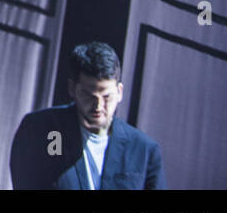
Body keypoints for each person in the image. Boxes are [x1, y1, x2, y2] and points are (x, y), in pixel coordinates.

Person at [9, 41, 165, 189]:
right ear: (72, 88)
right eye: (88, 95)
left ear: (120, 92)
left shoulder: (144, 150)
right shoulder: (41, 129)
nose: (98, 106)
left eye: (107, 97)